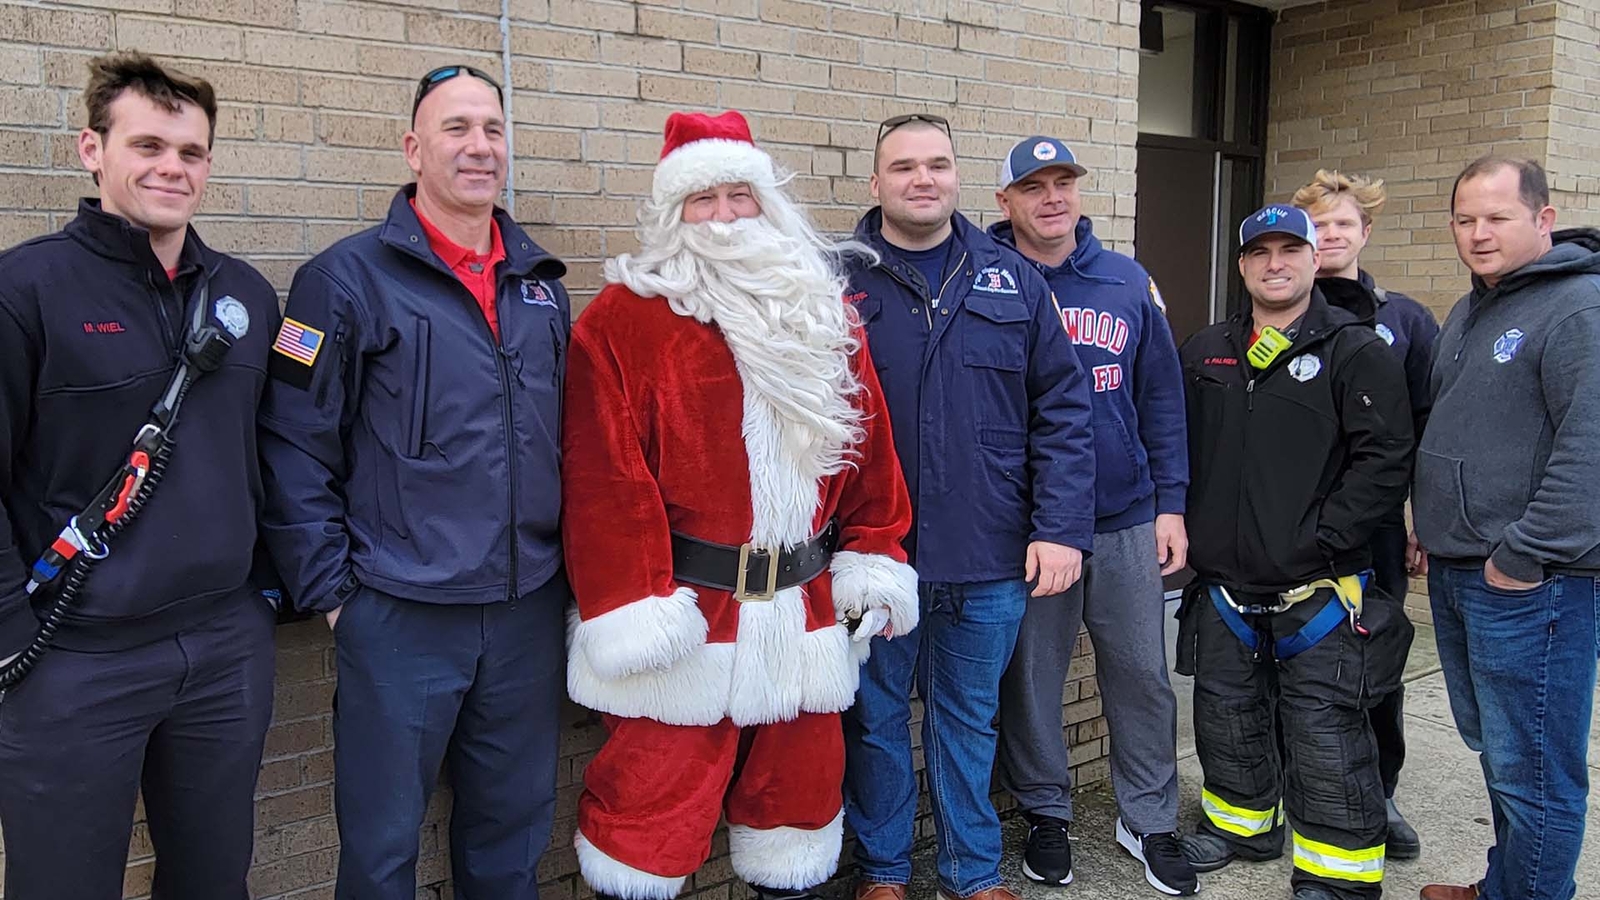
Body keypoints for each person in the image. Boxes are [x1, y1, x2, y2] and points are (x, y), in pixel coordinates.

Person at [561, 109, 917, 900]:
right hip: (688, 621)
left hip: (806, 615)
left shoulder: (825, 315)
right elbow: (603, 488)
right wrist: (638, 612)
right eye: (702, 200)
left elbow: (871, 460)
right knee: (647, 821)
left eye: (738, 196)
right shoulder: (620, 323)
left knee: (796, 813)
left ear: (767, 204)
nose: (723, 217)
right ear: (672, 215)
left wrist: (873, 563)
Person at [257, 65, 570, 899]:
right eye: (456, 128)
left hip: (525, 608)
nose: (479, 147)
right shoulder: (341, 281)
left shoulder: (541, 285)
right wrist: (333, 594)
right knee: (383, 846)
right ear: (413, 148)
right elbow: (292, 444)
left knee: (512, 836)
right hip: (400, 614)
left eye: (492, 129)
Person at [0, 52, 279, 899]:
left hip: (224, 653)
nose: (172, 167)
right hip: (77, 659)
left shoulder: (246, 296)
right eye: (149, 144)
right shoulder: (26, 289)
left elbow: (265, 452)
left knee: (211, 881)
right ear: (93, 148)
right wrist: (15, 631)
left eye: (191, 152)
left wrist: (264, 597)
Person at [842, 114, 1096, 900]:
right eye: (905, 166)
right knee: (877, 723)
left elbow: (1061, 407)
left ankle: (971, 872)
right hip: (872, 557)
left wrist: (1059, 528)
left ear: (957, 179)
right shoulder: (834, 279)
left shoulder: (1010, 277)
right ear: (876, 181)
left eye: (938, 165)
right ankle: (883, 870)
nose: (923, 179)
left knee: (968, 721)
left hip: (988, 555)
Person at [1174, 204, 1414, 900]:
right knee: (1226, 714)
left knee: (1326, 732)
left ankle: (1337, 875)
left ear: (1315, 260)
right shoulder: (1207, 350)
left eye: (1290, 250)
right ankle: (1242, 829)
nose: (1275, 264)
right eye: (1260, 253)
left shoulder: (1355, 348)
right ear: (1243, 265)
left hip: (1319, 587)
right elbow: (1178, 448)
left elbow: (1386, 458)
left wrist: (1323, 538)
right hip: (1223, 584)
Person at [989, 136, 1195, 896]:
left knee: (1143, 672)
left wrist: (1170, 504)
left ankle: (1148, 818)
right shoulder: (987, 280)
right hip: (1026, 525)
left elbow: (1163, 401)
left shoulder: (1126, 280)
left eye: (1065, 182)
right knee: (1033, 678)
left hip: (1123, 518)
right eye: (1034, 186)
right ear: (1005, 202)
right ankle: (1046, 810)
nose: (1053, 197)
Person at [1412, 156, 1600, 900]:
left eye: (1497, 217)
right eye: (1465, 219)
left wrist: (1525, 555)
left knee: (1536, 770)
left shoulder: (1578, 308)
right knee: (1498, 753)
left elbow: (1590, 449)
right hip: (1467, 571)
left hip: (1531, 583)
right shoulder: (1475, 307)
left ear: (1543, 219)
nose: (1478, 234)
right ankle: (1507, 885)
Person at [1291, 168, 1439, 862]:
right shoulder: (1281, 311)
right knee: (1289, 659)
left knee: (1371, 661)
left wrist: (1423, 524)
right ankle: (1298, 790)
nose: (1330, 237)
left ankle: (1381, 793)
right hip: (1289, 522)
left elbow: (1427, 430)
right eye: (1317, 226)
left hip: (1374, 528)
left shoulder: (1404, 321)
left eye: (1342, 225)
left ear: (1365, 233)